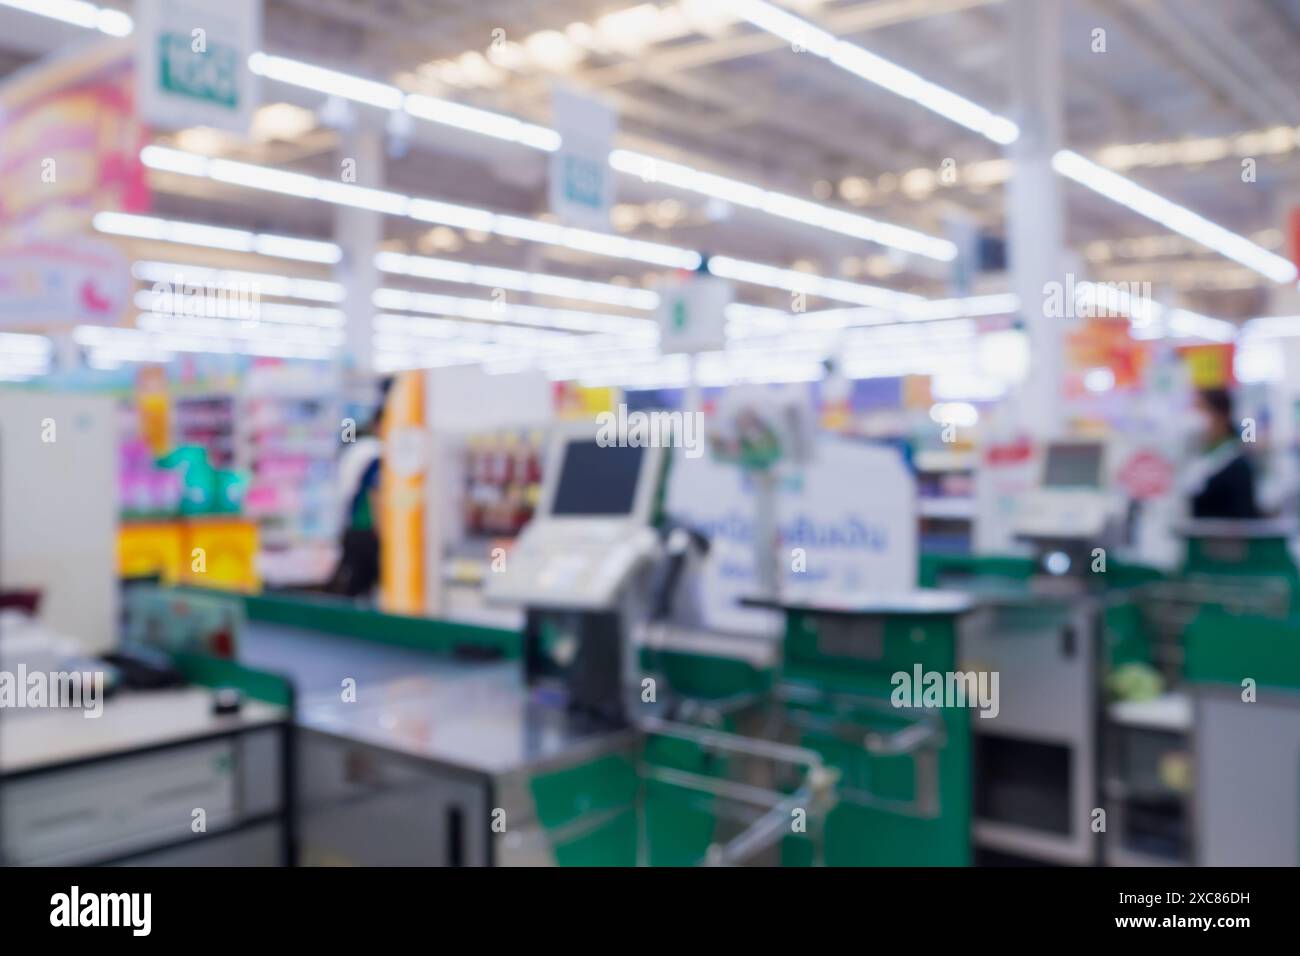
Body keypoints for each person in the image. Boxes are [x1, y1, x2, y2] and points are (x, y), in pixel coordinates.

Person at [326, 379, 391, 597]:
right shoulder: (376, 453)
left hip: (349, 526)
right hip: (366, 531)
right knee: (362, 587)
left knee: (352, 585)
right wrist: (384, 535)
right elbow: (376, 494)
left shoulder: (356, 448)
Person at [1183, 388, 1259, 520]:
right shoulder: (1198, 458)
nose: (1195, 419)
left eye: (1201, 409)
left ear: (1221, 415)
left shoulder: (1238, 465)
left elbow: (1244, 521)